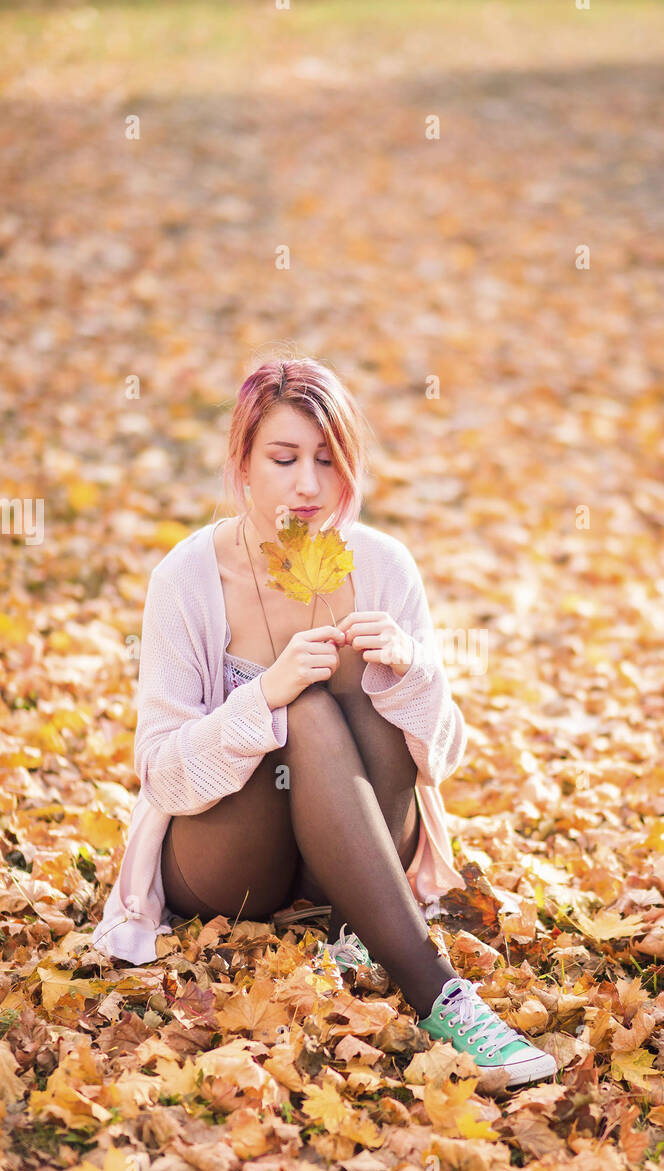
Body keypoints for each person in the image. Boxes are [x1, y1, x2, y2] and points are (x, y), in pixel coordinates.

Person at [94, 355, 556, 1089]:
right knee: (302, 708)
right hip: (222, 863)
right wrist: (264, 697)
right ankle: (437, 992)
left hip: (334, 860)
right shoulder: (185, 579)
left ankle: (355, 928)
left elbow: (443, 757)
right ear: (242, 463)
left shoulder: (380, 565)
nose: (308, 485)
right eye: (283, 458)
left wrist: (413, 671)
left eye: (327, 461)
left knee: (370, 683)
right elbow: (161, 772)